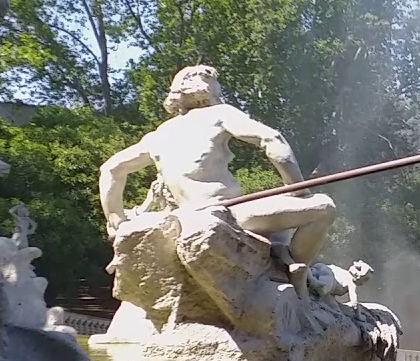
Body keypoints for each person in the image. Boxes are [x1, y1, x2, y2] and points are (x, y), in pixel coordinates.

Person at [99, 65, 336, 294]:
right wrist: (298, 189)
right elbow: (272, 139)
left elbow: (111, 169)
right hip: (226, 212)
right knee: (323, 207)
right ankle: (296, 275)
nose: (219, 92)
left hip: (189, 214)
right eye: (216, 85)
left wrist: (116, 221)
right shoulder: (220, 114)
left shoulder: (160, 134)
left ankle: (281, 260)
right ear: (206, 88)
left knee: (279, 223)